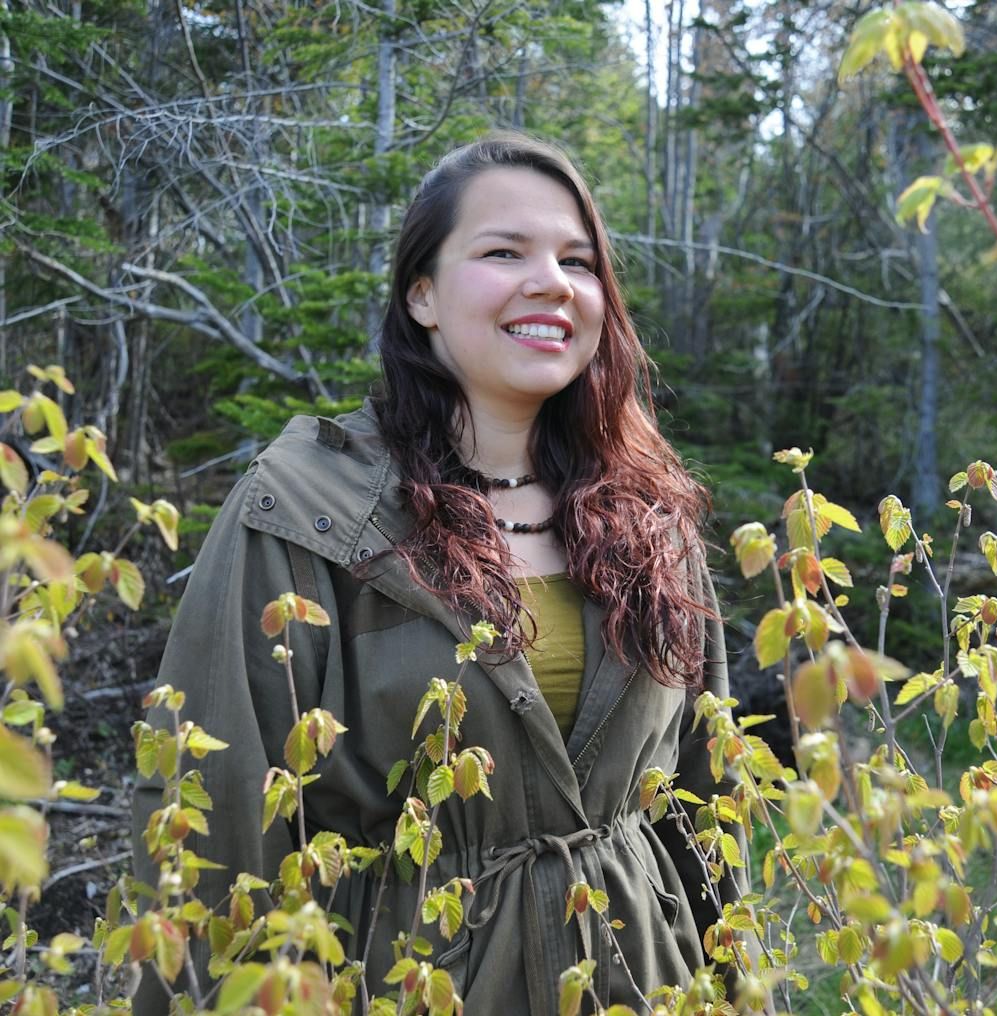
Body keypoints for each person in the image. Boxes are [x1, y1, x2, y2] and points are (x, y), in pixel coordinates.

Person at [133, 132, 748, 1014]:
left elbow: (705, 802)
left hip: (641, 980)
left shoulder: (648, 516)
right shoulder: (307, 511)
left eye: (578, 261)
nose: (552, 282)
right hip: (406, 983)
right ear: (421, 293)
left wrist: (741, 985)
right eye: (504, 252)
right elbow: (219, 815)